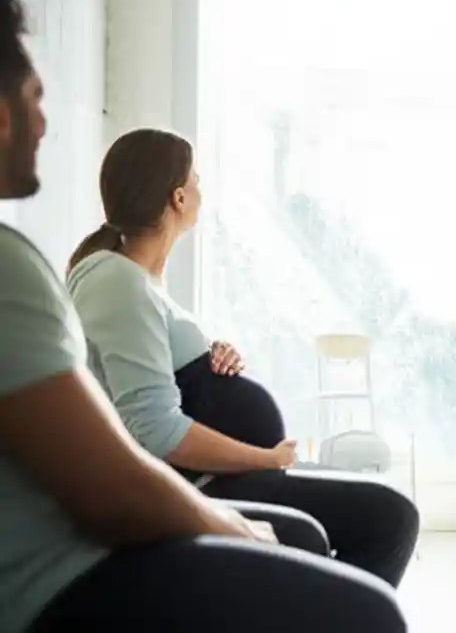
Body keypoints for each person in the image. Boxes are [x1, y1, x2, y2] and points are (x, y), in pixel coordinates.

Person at [0, 0, 406, 632]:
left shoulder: (120, 279)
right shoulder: (53, 273)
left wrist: (209, 362)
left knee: (352, 529)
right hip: (65, 575)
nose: (45, 124)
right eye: (36, 99)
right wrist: (241, 502)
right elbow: (131, 461)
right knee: (367, 591)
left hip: (89, 546)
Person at [65, 127, 420, 587]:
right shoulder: (117, 282)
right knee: (388, 519)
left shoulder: (136, 282)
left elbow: (165, 377)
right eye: (196, 180)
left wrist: (209, 354)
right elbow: (154, 430)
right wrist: (263, 458)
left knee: (386, 516)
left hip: (219, 478)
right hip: (203, 485)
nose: (200, 190)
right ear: (177, 198)